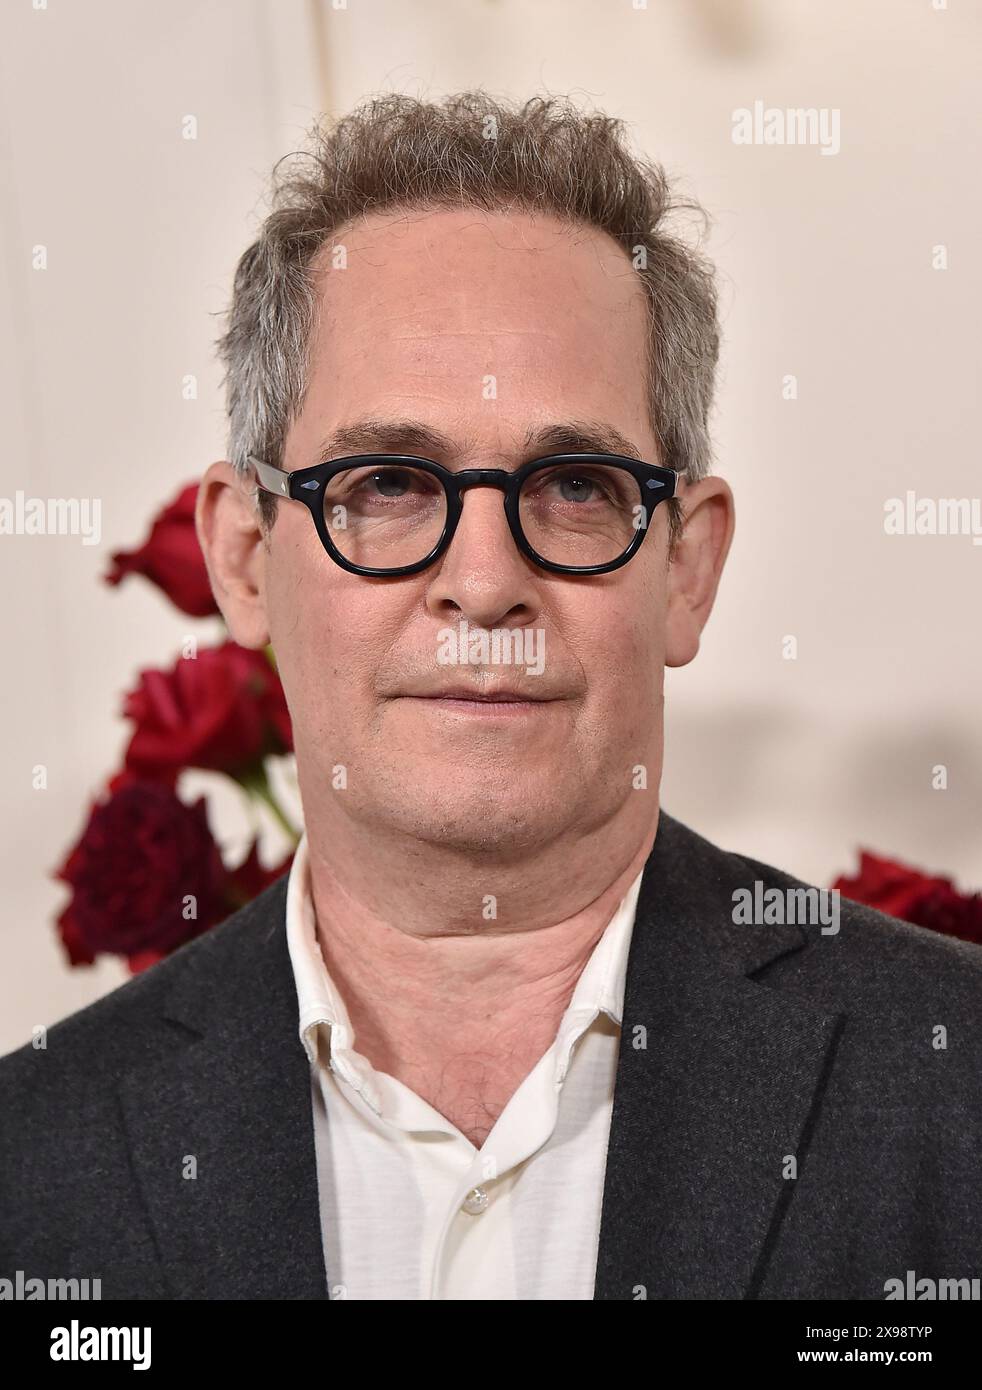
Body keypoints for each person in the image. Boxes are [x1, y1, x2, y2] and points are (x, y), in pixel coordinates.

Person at [2, 92, 981, 1302]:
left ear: (686, 566)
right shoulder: (31, 1165)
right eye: (388, 484)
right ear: (247, 558)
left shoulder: (956, 1090)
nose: (481, 581)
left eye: (574, 485)